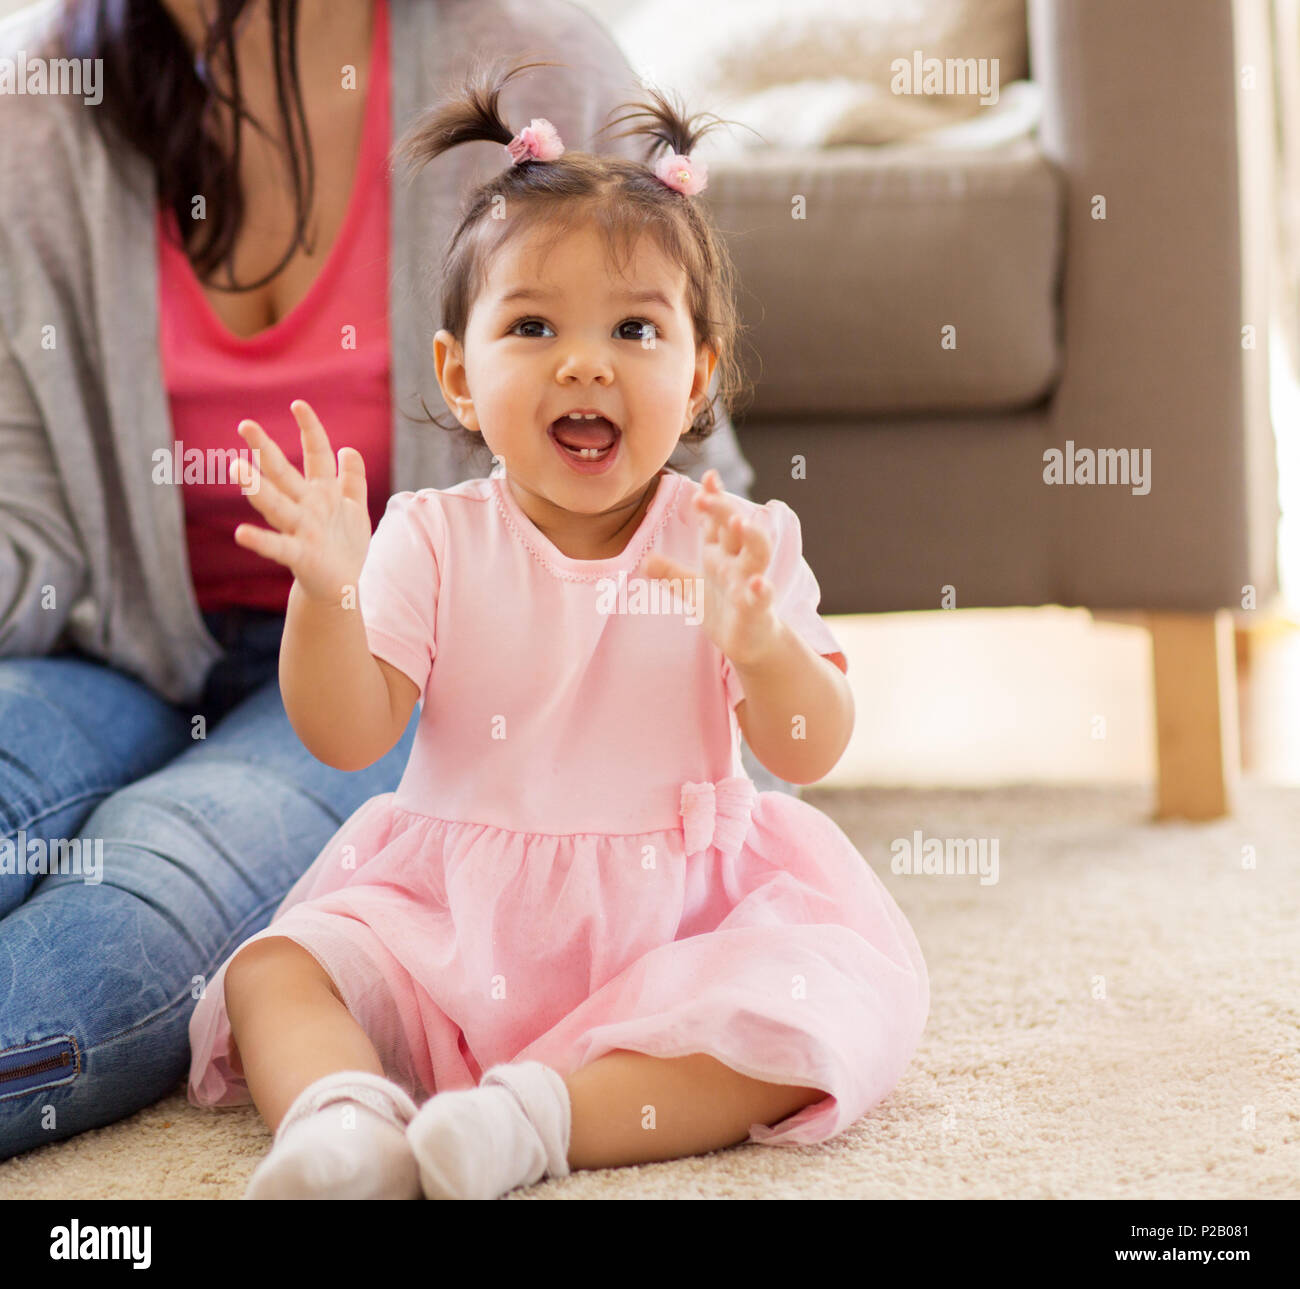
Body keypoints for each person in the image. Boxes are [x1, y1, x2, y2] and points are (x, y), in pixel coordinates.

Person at [0, 0, 757, 1161]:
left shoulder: (533, 64)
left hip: (394, 659)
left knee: (159, 865)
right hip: (105, 642)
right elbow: (28, 530)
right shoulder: (44, 111)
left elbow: (685, 470)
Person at [185, 58, 931, 1201]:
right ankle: (341, 1125)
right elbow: (344, 733)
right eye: (532, 325)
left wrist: (760, 646)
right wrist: (330, 594)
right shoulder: (430, 536)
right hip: (451, 927)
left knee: (805, 1014)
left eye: (635, 329)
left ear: (697, 380)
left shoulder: (730, 540)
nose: (585, 360)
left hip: (673, 925)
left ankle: (533, 1121)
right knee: (276, 970)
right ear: (460, 376)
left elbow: (807, 748)